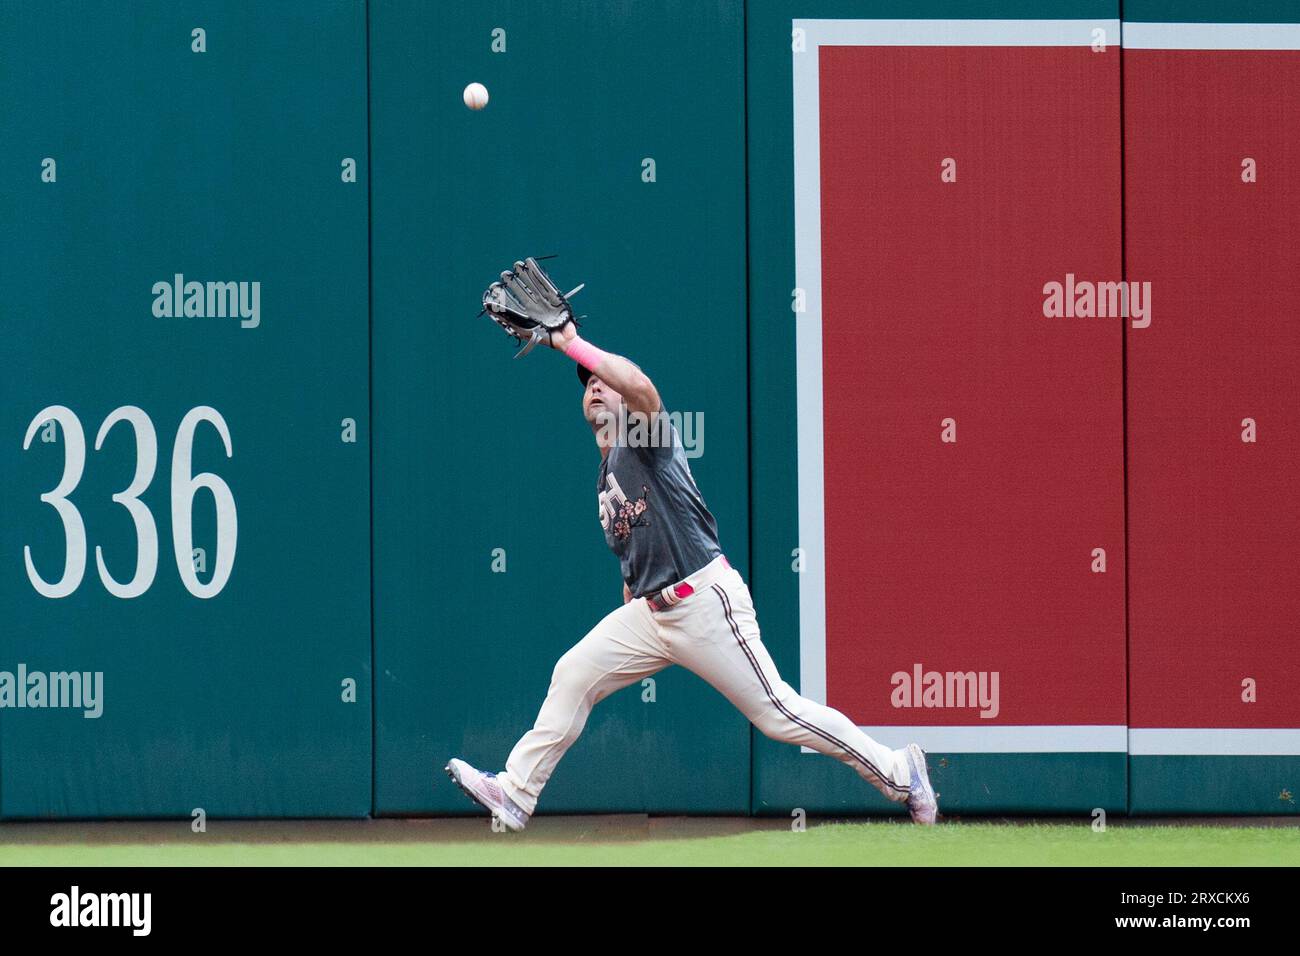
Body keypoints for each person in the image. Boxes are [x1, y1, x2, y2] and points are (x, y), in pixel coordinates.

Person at [446, 322, 938, 829]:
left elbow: (643, 389)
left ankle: (901, 770)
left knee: (778, 713)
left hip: (703, 600)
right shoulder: (605, 476)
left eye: (599, 377)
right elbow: (633, 565)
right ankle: (515, 792)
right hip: (651, 613)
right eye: (585, 381)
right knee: (573, 673)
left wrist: (572, 343)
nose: (592, 383)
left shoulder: (646, 440)